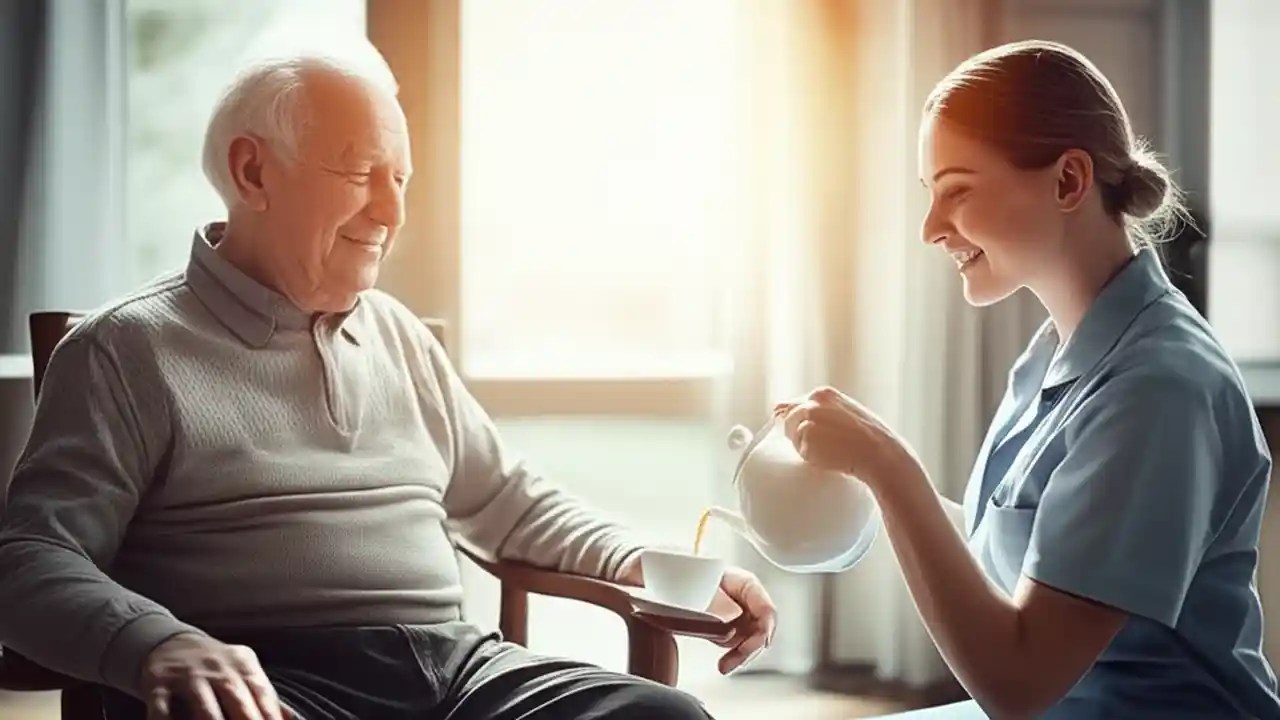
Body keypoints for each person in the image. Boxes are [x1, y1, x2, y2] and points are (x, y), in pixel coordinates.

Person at [0, 46, 776, 720]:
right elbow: (29, 557)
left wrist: (651, 561)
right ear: (252, 170)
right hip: (272, 680)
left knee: (658, 718)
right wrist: (156, 643)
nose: (393, 210)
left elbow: (508, 503)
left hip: (459, 672)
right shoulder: (124, 349)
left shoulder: (397, 334)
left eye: (401, 178)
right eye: (361, 172)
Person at [778, 40, 1280, 719]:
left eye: (956, 191)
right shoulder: (1057, 351)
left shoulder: (1158, 388)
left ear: (1069, 181)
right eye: (930, 195)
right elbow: (1019, 555)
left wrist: (887, 466)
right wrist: (864, 475)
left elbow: (1018, 684)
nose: (930, 228)